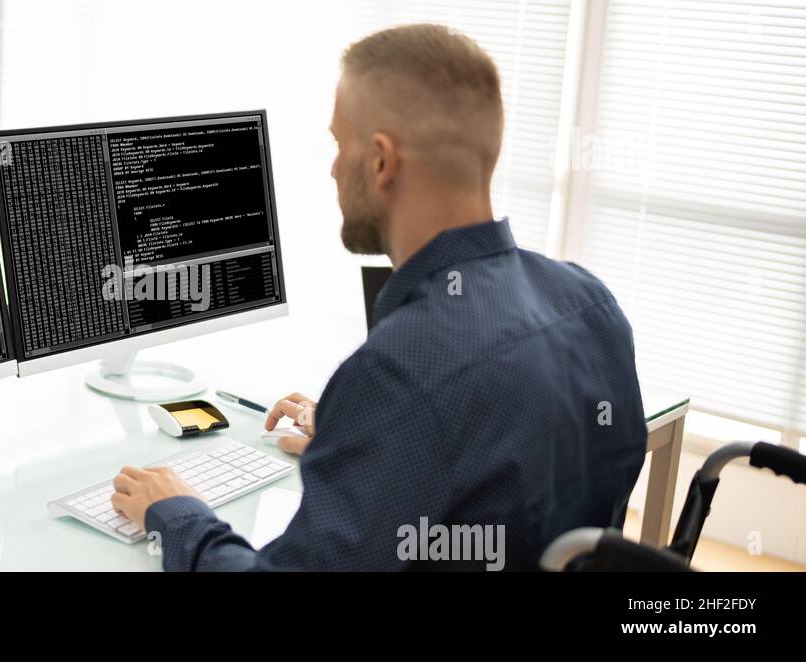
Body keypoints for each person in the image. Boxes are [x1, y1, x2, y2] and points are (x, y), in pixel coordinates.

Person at [108, 24, 648, 571]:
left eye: (340, 144)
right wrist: (369, 438)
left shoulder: (400, 372)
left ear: (382, 161)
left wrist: (178, 515)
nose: (333, 167)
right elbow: (508, 467)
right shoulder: (591, 303)